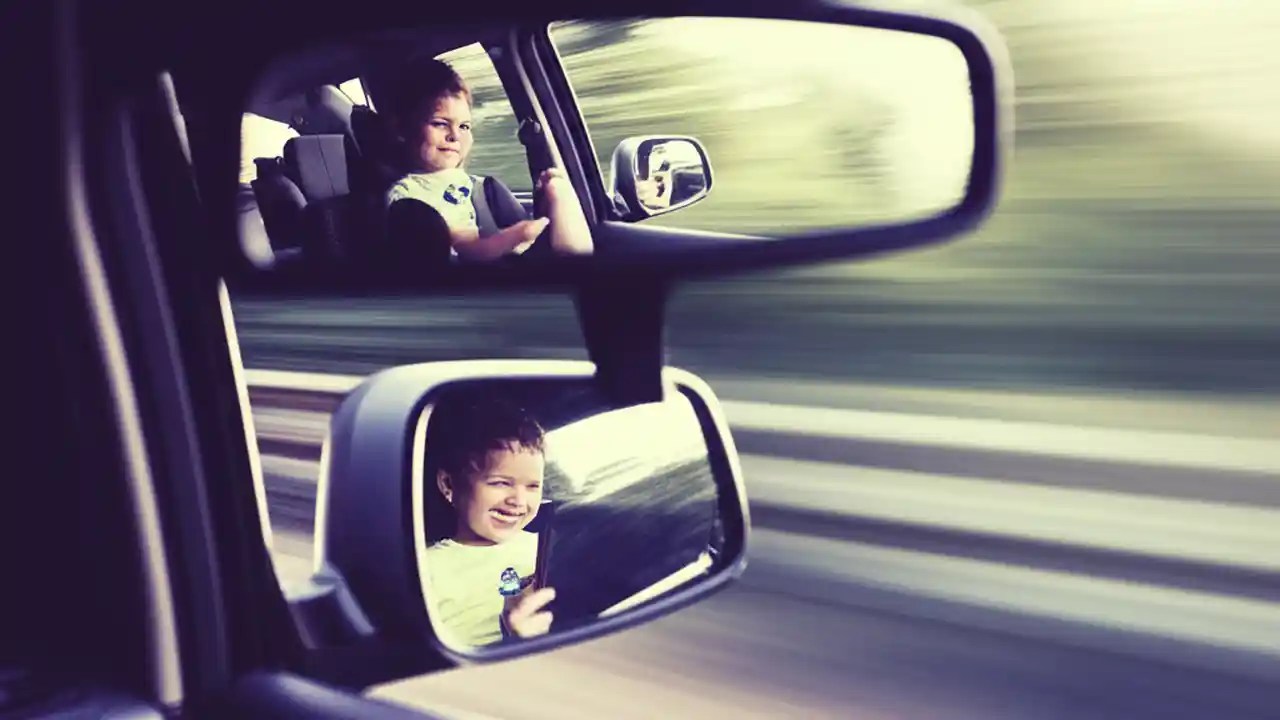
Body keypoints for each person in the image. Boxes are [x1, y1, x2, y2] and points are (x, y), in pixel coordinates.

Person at [380, 58, 592, 262]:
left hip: (501, 262)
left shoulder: (477, 187)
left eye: (464, 126)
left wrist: (545, 209)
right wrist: (513, 237)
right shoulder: (407, 198)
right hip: (466, 282)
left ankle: (576, 266)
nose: (455, 135)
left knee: (558, 188)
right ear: (402, 129)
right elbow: (464, 247)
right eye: (440, 123)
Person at [422, 390, 556, 647]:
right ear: (448, 484)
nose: (518, 500)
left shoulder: (547, 547)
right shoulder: (428, 568)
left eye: (532, 486)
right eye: (500, 483)